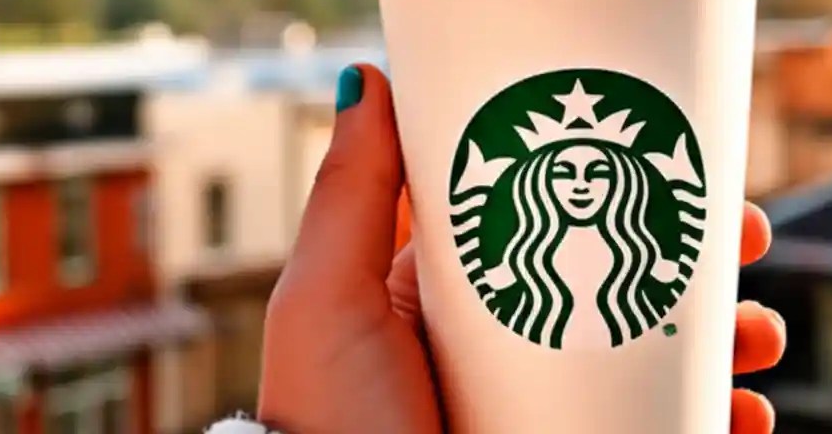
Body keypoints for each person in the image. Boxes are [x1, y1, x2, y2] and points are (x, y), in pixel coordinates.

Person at [223, 65, 785, 433]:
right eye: (564, 172)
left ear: (625, 182)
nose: (581, 186)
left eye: (598, 172)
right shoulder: (519, 268)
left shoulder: (644, 265)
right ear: (537, 183)